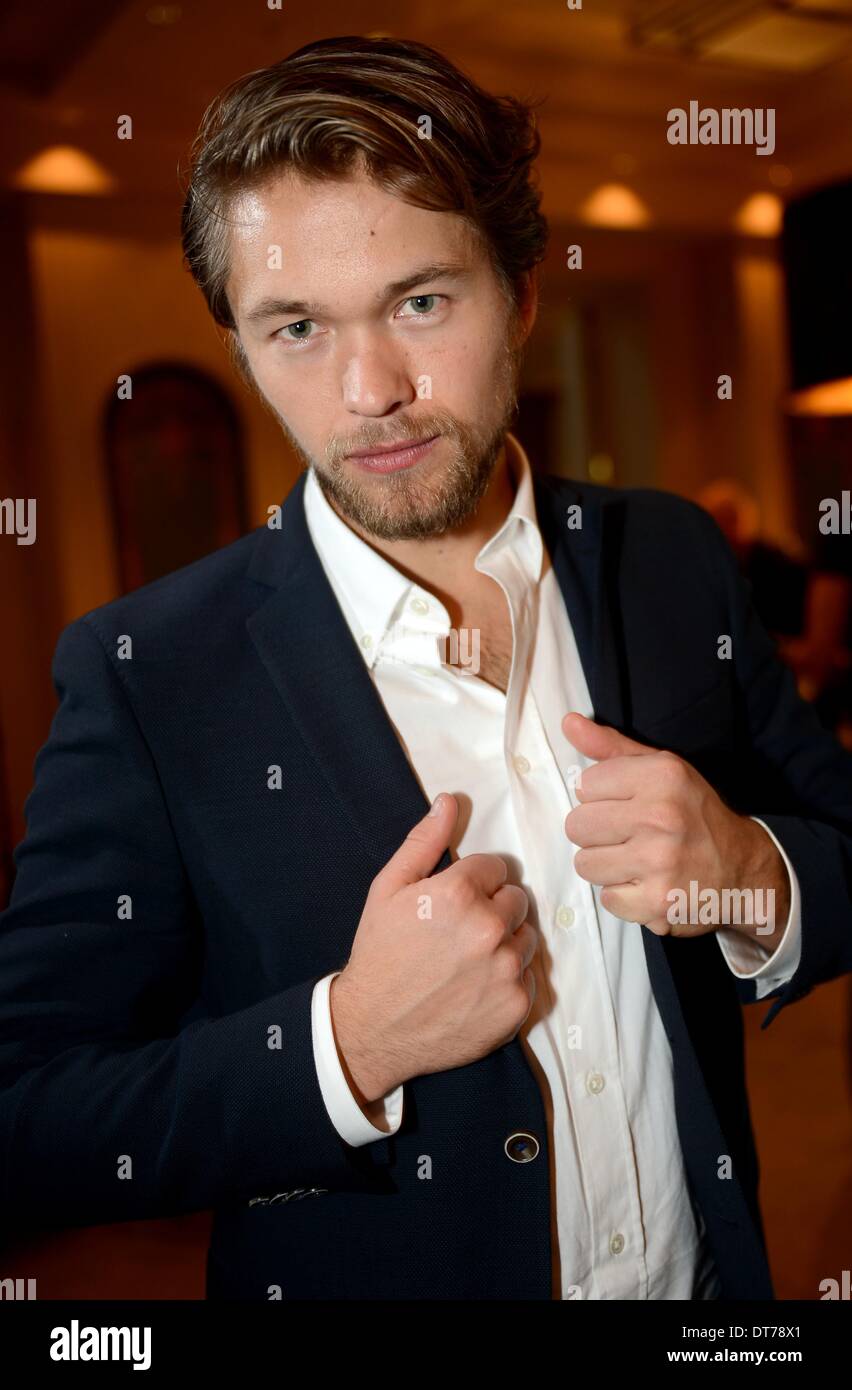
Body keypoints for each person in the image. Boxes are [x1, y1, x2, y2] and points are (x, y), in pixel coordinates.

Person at [1, 35, 851, 1303]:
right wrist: (346, 1045)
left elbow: (839, 846)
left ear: (519, 291)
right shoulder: (146, 673)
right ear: (241, 342)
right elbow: (33, 1117)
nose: (372, 392)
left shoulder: (669, 554)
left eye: (420, 301)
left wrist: (752, 879)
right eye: (296, 326)